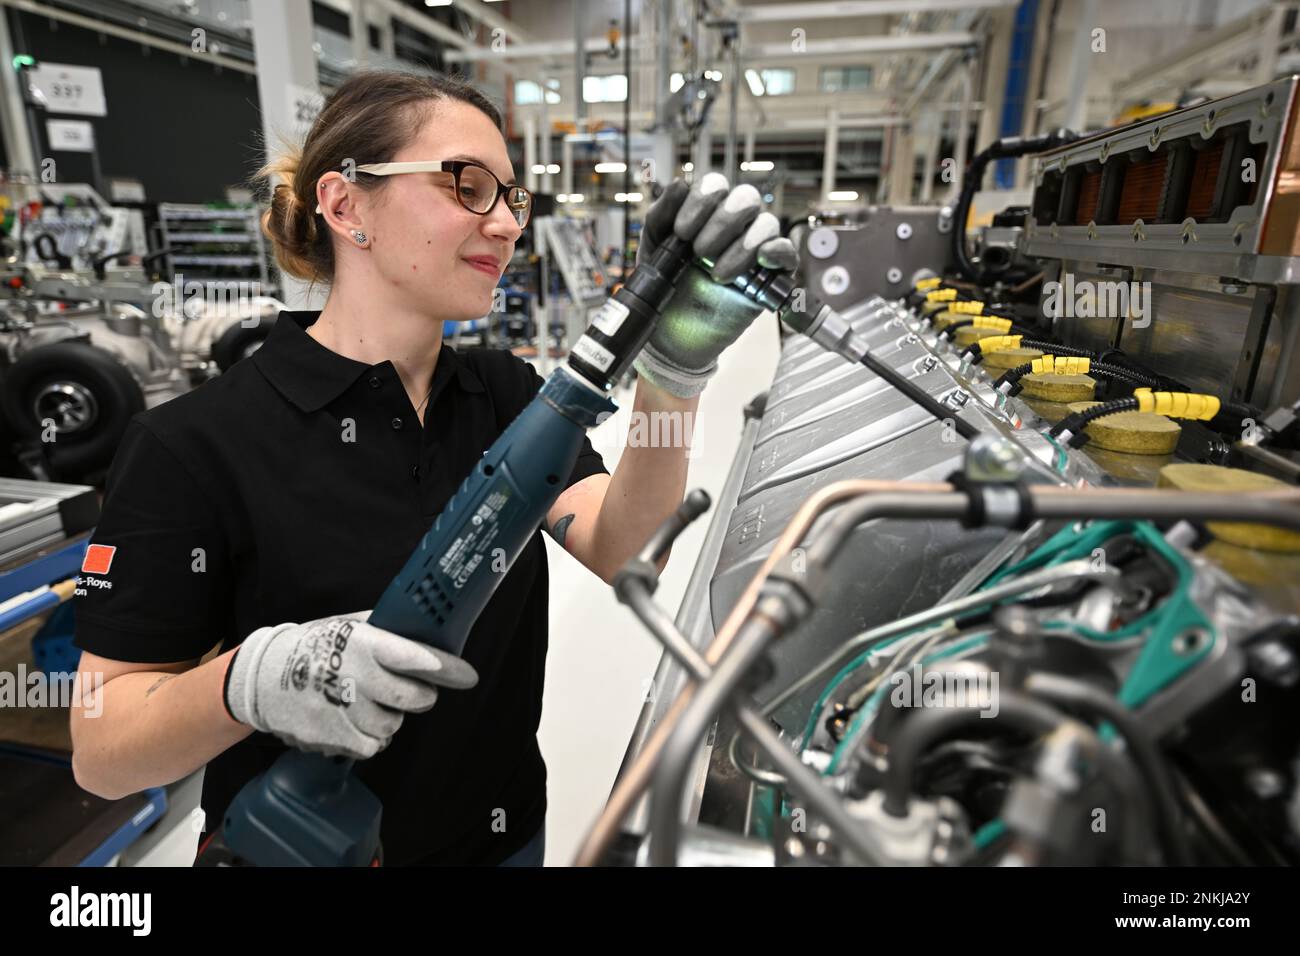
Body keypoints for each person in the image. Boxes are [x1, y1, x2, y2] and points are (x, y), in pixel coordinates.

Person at [68, 70, 796, 866]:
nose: (506, 226)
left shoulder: (508, 394)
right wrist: (254, 678)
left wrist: (673, 373)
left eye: (512, 199)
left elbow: (624, 548)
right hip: (303, 847)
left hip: (503, 836)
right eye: (469, 186)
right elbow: (104, 754)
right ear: (346, 206)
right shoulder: (191, 444)